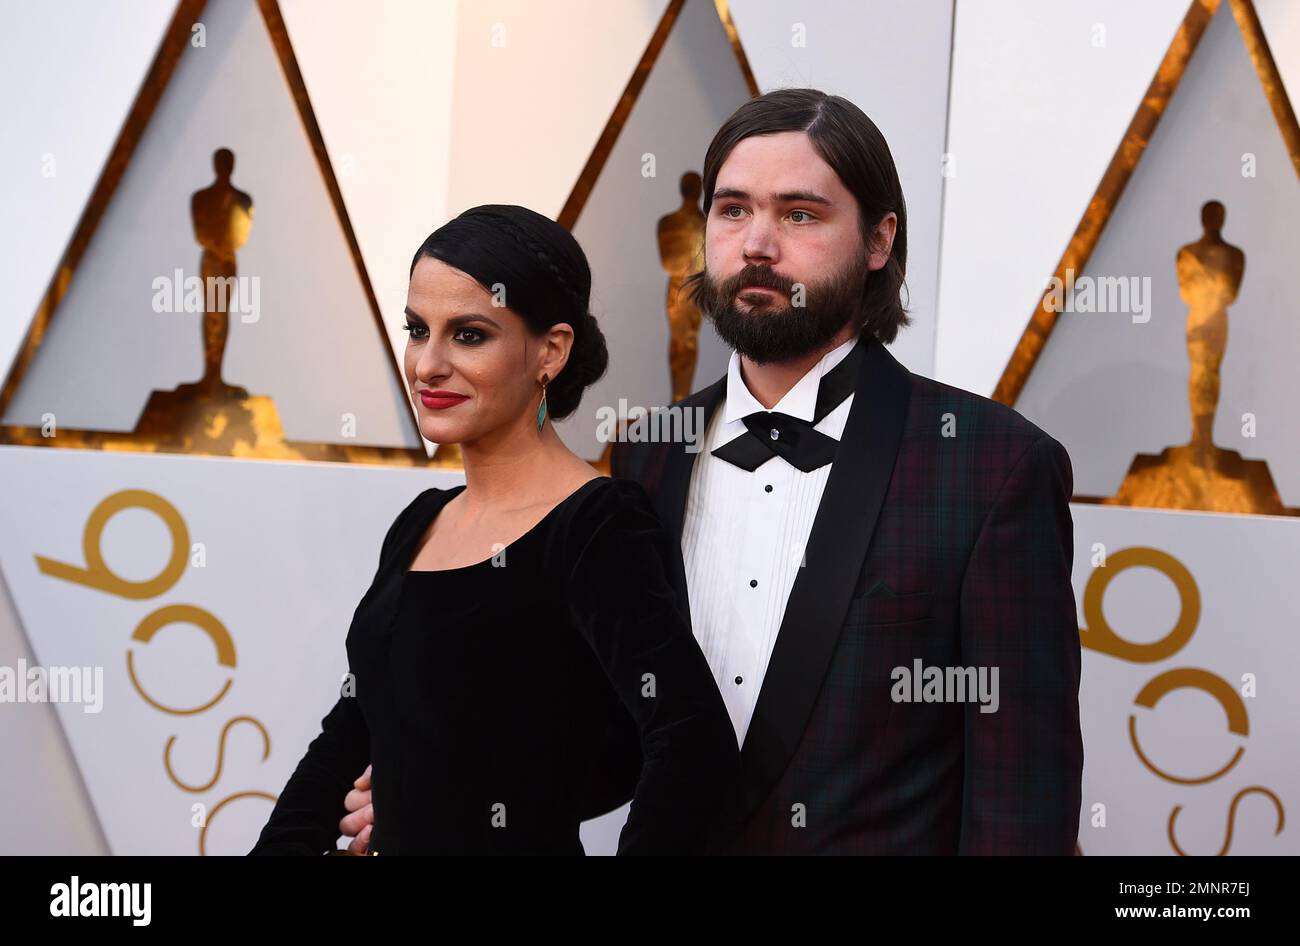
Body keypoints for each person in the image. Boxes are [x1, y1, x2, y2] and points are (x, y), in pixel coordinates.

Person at [341, 88, 1084, 855]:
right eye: (732, 210)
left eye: (800, 214)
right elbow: (615, 744)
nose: (757, 244)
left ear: (878, 240)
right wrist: (439, 793)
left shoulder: (990, 467)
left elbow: (1022, 801)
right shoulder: (645, 453)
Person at [249, 204, 739, 855]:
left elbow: (690, 738)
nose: (427, 364)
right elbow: (354, 727)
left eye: (469, 335)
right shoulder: (421, 520)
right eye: (417, 329)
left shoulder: (595, 526)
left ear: (551, 351)